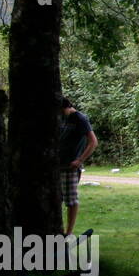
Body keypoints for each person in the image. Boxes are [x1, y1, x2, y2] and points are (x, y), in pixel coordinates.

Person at [59, 97, 97, 235]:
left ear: (67, 107)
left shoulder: (80, 118)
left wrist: (79, 160)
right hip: (58, 166)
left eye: (61, 110)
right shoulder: (63, 118)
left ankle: (68, 233)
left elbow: (93, 142)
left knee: (71, 200)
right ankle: (59, 230)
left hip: (71, 166)